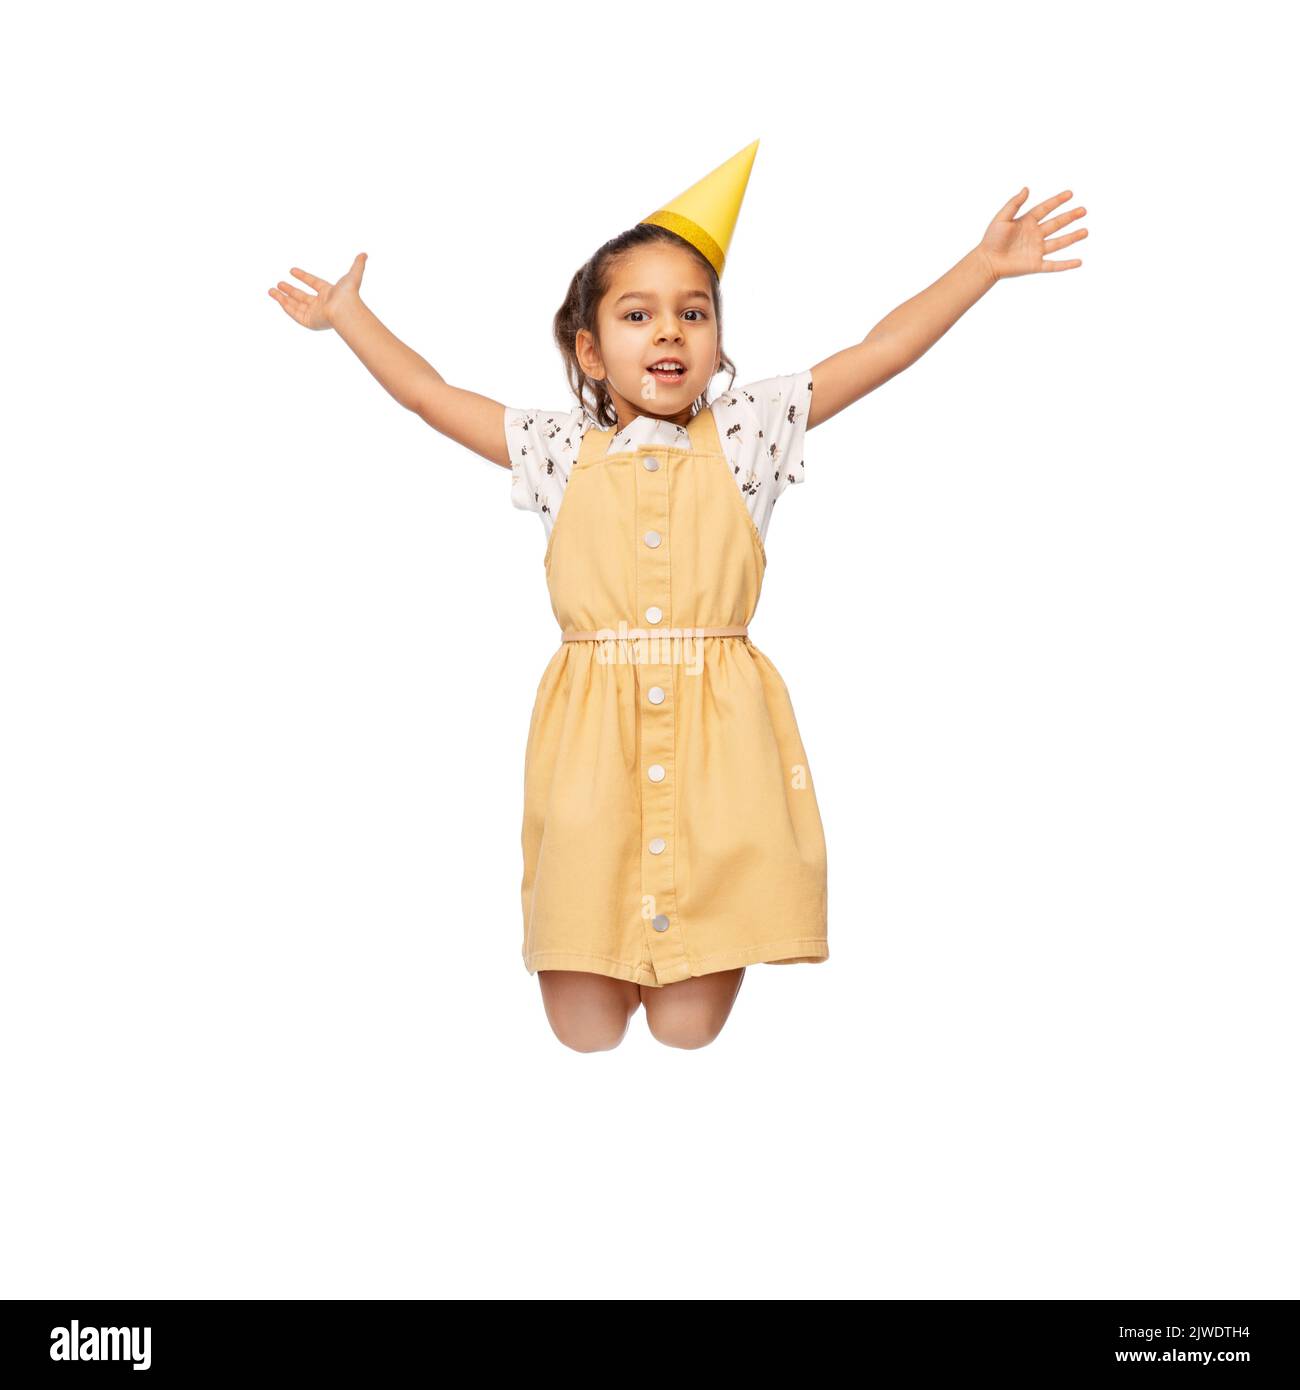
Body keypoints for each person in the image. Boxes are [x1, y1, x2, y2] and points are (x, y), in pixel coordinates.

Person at [268, 141, 1087, 1054]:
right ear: (589, 346)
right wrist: (351, 319)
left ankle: (690, 946)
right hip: (591, 748)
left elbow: (880, 351)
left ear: (717, 344)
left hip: (719, 747)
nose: (668, 332)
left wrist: (980, 266)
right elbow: (429, 395)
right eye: (638, 314)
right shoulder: (555, 448)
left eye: (692, 314)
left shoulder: (748, 433)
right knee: (583, 1033)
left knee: (689, 1031)